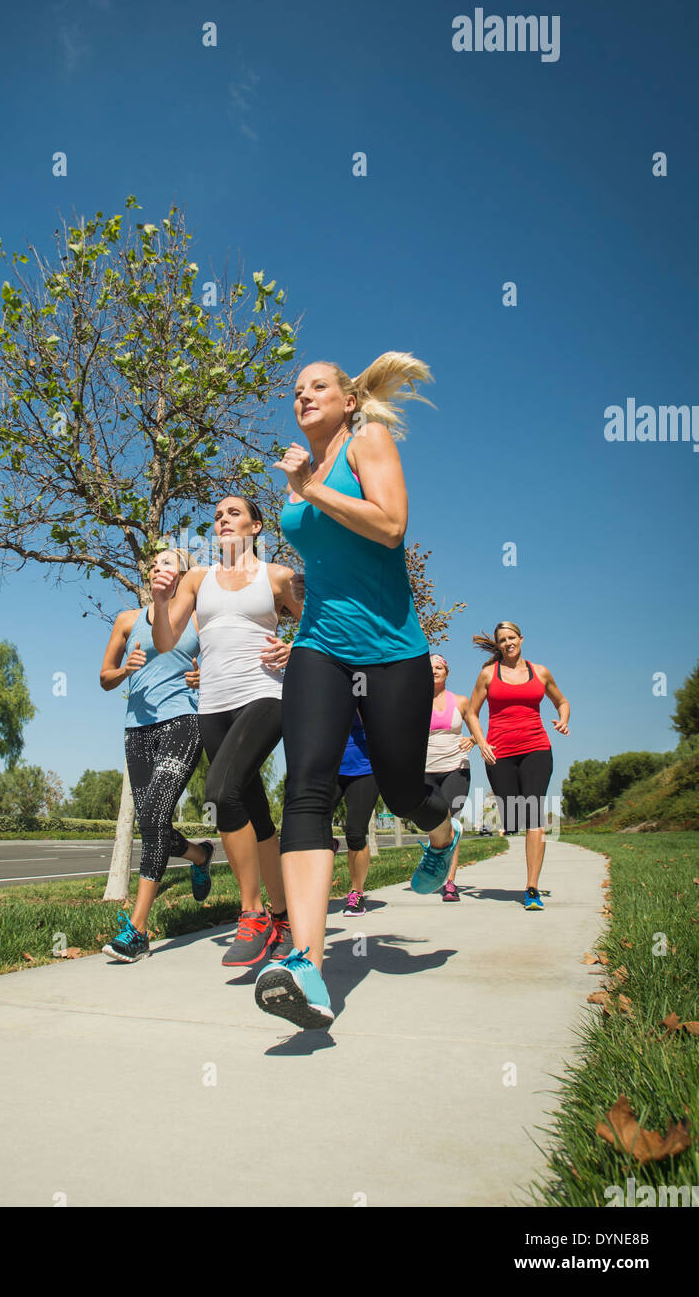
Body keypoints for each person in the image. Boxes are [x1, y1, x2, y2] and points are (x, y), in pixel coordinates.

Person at [254, 354, 461, 1030]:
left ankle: (439, 837)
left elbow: (390, 525)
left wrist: (311, 487)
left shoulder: (365, 441)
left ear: (348, 401)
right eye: (295, 391)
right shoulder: (294, 480)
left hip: (393, 650)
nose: (302, 396)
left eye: (317, 387)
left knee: (401, 790)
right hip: (320, 646)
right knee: (306, 784)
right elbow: (321, 564)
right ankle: (308, 967)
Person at [151, 496, 303, 967]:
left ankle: (252, 913)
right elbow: (164, 641)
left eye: (233, 514)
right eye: (216, 516)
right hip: (212, 705)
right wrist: (160, 600)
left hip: (265, 696)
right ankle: (283, 918)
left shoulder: (277, 576)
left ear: (256, 525)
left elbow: (325, 623)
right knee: (253, 811)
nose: (222, 521)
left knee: (219, 791)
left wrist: (295, 650)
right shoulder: (197, 580)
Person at [98, 548, 212, 962]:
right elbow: (104, 678)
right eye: (154, 563)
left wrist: (205, 673)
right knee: (151, 821)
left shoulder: (198, 617)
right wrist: (125, 670)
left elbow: (219, 662)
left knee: (156, 817)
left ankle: (138, 929)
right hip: (137, 729)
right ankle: (200, 854)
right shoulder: (127, 620)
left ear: (183, 575)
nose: (157, 567)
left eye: (168, 562)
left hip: (183, 720)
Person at [465, 622, 570, 910]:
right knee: (513, 818)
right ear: (497, 645)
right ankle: (512, 822)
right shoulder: (488, 674)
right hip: (500, 753)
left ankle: (532, 888)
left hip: (537, 748)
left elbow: (562, 701)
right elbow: (471, 712)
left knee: (534, 815)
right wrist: (481, 742)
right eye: (502, 640)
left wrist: (563, 719)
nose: (508, 643)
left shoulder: (540, 672)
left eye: (512, 638)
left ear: (521, 639)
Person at [425, 653, 475, 902]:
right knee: (434, 823)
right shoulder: (414, 701)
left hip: (457, 766)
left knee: (450, 821)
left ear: (447, 672)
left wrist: (473, 739)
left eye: (439, 667)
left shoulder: (461, 701)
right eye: (429, 667)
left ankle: (450, 882)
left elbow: (477, 728)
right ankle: (434, 862)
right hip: (425, 770)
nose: (434, 671)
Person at [334, 712, 379, 916]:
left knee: (355, 831)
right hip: (329, 767)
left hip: (364, 769)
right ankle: (328, 844)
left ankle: (356, 893)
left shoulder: (368, 685)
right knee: (312, 826)